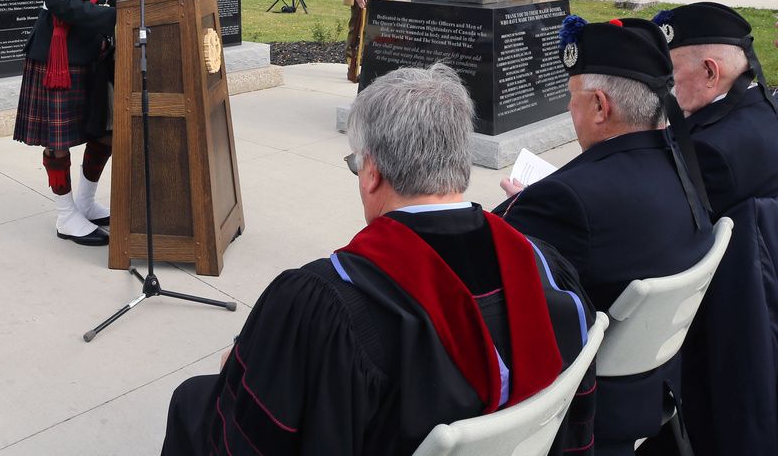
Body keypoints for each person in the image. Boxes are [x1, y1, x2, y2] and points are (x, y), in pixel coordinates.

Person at [162, 63, 597, 456]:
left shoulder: (322, 303)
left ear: (372, 172)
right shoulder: (543, 265)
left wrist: (245, 368)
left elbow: (246, 440)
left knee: (192, 398)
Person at [497, 16, 713, 455]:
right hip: (652, 393)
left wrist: (524, 207)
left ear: (600, 105)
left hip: (581, 418)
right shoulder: (683, 166)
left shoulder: (566, 201)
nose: (568, 110)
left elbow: (489, 283)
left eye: (571, 98)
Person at [651, 3, 778, 456]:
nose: (662, 89)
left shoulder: (714, 151)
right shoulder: (759, 108)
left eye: (670, 75)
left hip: (724, 346)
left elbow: (657, 227)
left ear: (709, 71)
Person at [12, 0, 132, 247]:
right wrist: (116, 18)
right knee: (59, 140)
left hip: (95, 51)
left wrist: (136, 5)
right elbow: (61, 1)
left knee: (107, 130)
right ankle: (65, 215)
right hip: (61, 53)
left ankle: (84, 200)